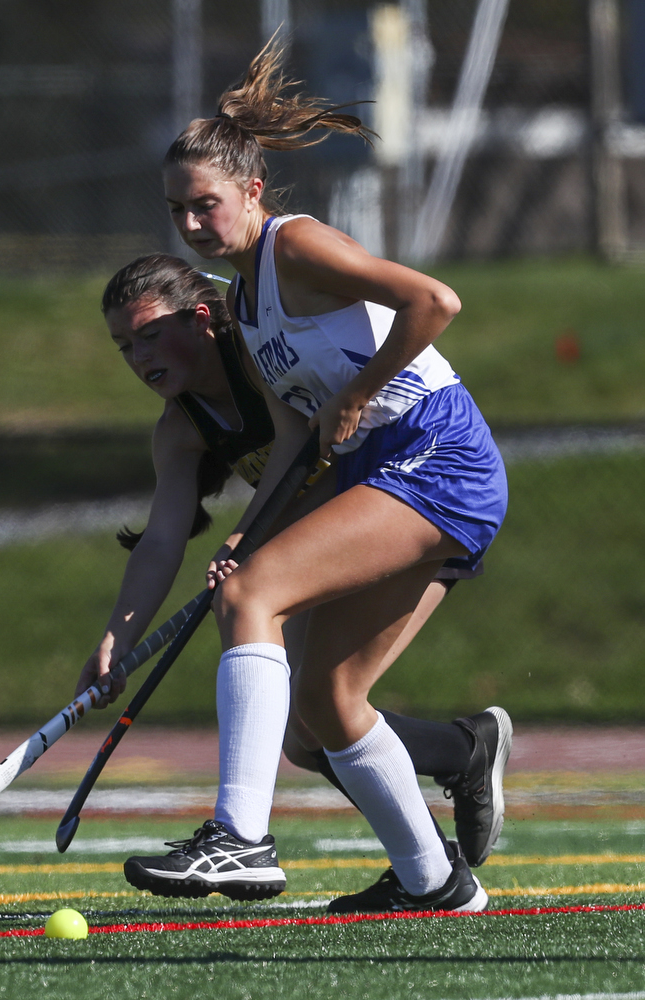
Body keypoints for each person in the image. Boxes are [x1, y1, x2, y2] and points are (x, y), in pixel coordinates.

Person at [118, 36, 511, 915]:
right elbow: (296, 438)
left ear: (252, 192)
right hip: (389, 468)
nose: (190, 226)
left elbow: (433, 301)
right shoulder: (245, 299)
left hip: (436, 456)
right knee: (327, 707)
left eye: (205, 206)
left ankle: (240, 842)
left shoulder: (294, 247)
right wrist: (247, 535)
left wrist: (364, 390)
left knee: (255, 601)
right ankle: (435, 883)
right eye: (177, 211)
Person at [78, 252, 511, 893]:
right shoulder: (180, 430)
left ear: (201, 320)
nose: (140, 358)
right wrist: (117, 636)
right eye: (124, 347)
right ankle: (456, 778)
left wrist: (248, 538)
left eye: (149, 335)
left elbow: (324, 459)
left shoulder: (263, 362)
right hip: (333, 541)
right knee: (309, 734)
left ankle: (242, 839)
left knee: (264, 617)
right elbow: (161, 541)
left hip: (403, 501)